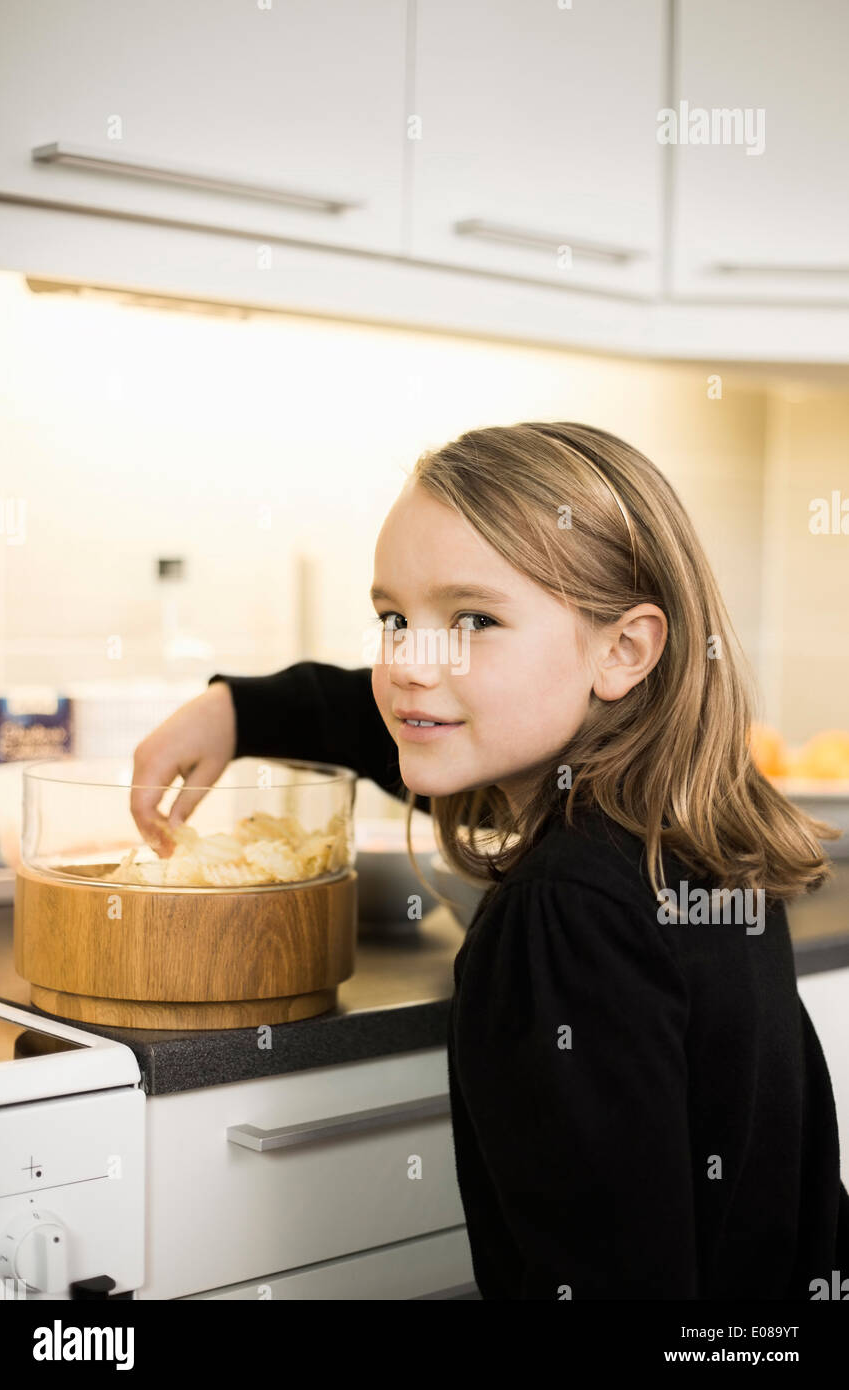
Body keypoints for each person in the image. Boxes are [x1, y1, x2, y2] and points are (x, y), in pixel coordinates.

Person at [130, 421, 849, 1300]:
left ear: (623, 650)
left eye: (473, 620)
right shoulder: (692, 837)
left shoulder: (564, 919)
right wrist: (245, 710)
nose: (405, 665)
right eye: (394, 618)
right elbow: (440, 716)